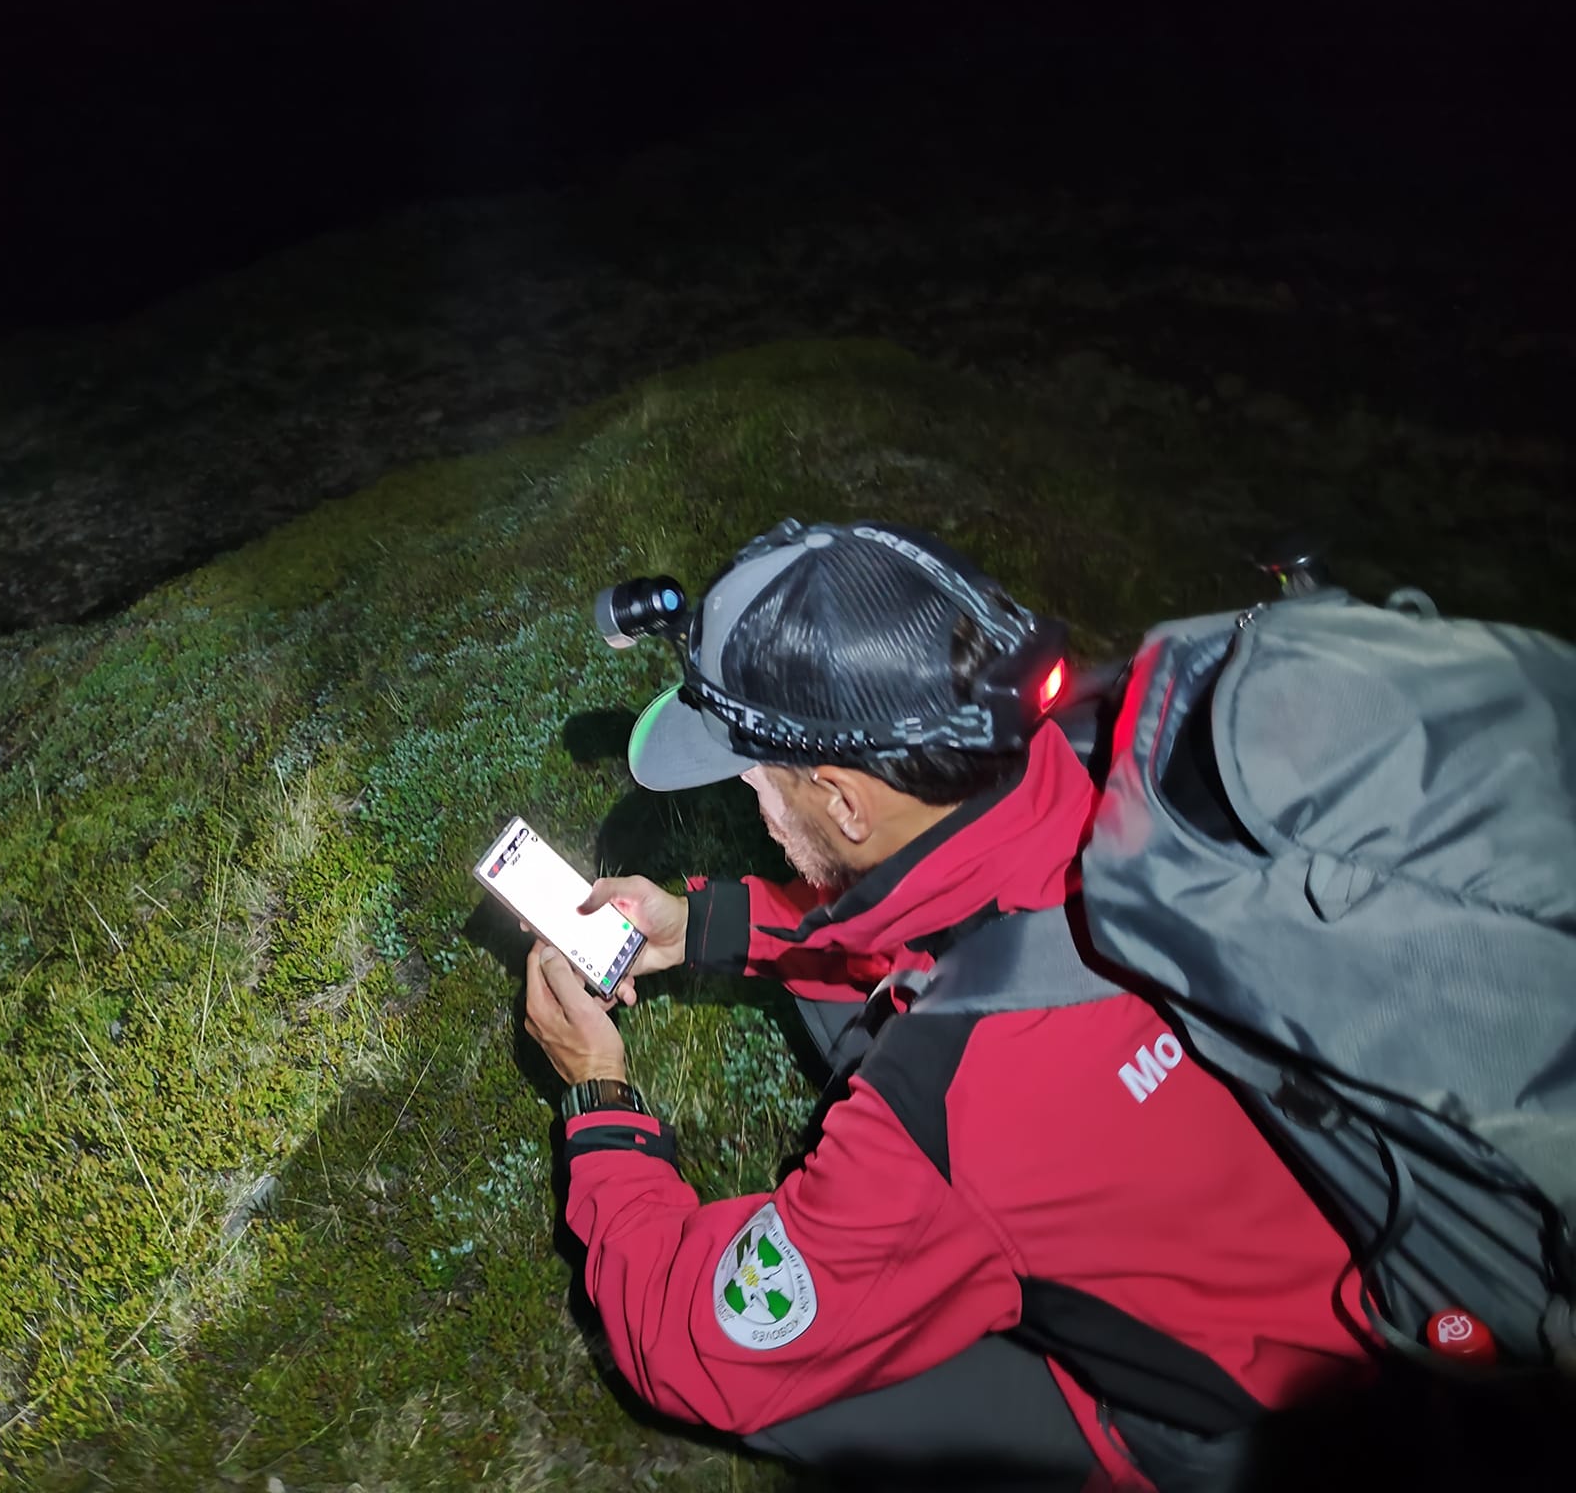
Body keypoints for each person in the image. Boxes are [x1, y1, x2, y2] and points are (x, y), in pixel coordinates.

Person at [521, 521, 1376, 1490]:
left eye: (755, 778)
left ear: (842, 801)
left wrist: (599, 1104)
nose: (754, 806)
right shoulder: (1106, 751)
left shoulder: (949, 1106)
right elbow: (960, 896)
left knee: (810, 1387)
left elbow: (694, 1350)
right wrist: (707, 928)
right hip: (1347, 1221)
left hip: (1264, 1431)